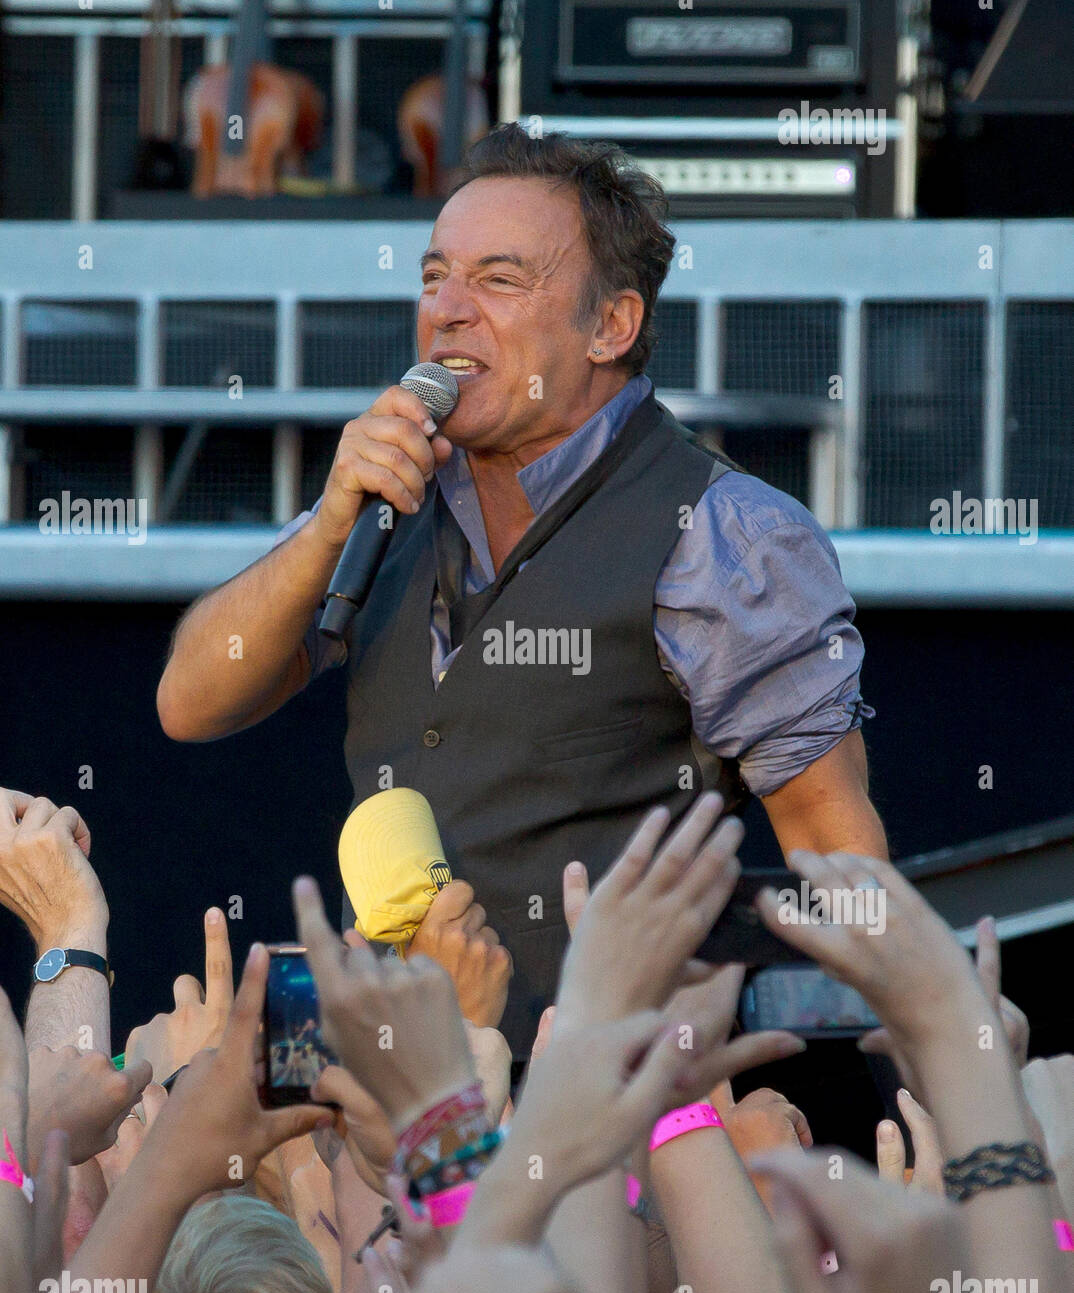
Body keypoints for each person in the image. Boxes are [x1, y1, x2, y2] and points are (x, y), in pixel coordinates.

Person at [157, 122, 887, 1054]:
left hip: (606, 1130)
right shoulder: (382, 497)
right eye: (433, 276)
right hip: (389, 1104)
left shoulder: (723, 530)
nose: (447, 310)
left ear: (610, 326)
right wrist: (329, 523)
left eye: (499, 280)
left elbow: (830, 836)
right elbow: (189, 702)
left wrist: (883, 1070)